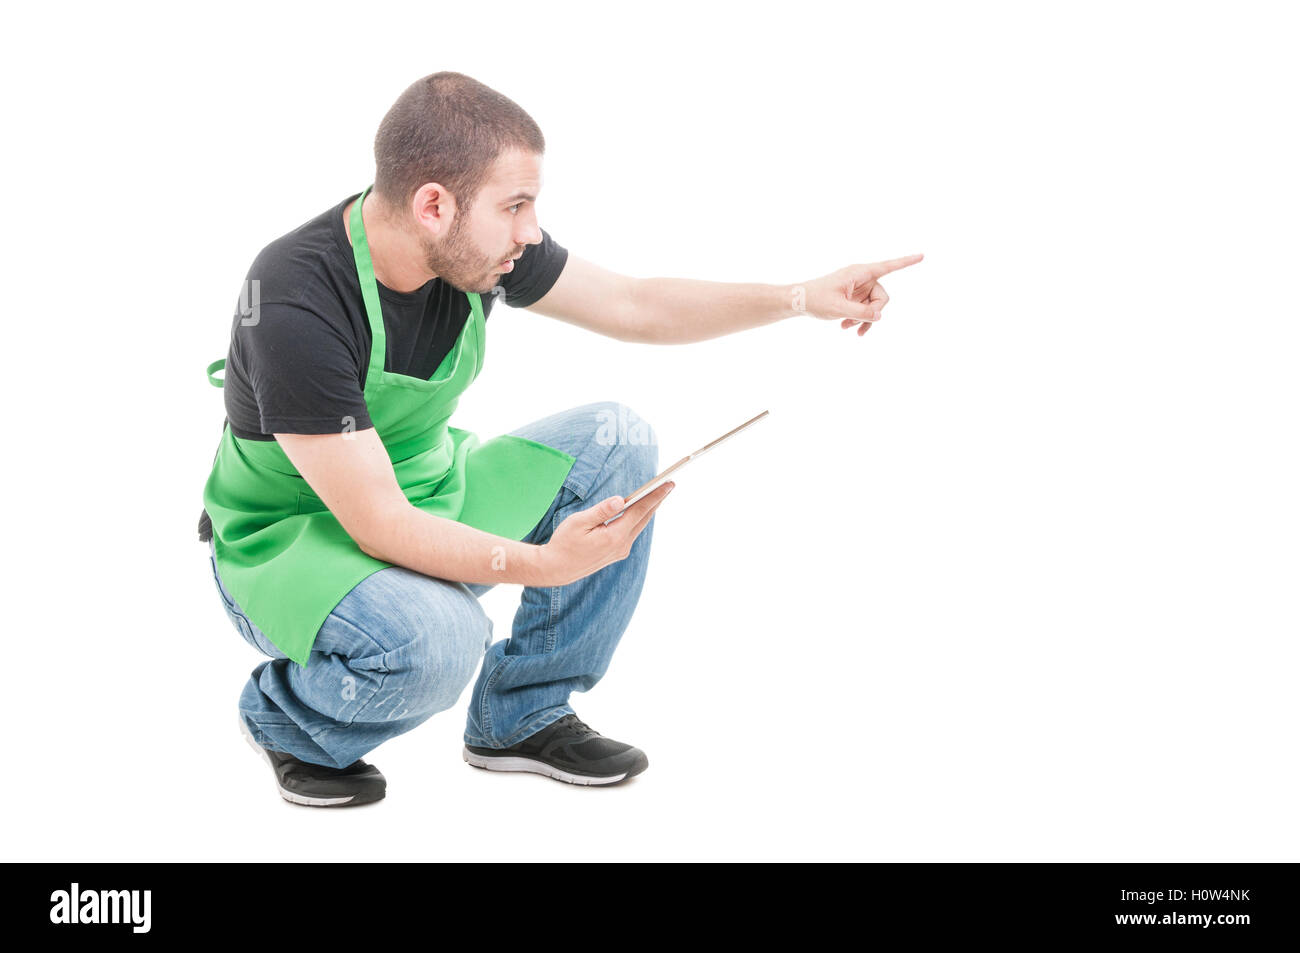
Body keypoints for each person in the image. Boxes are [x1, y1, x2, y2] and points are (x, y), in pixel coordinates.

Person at [199, 70, 923, 808]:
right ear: (432, 205)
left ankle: (519, 715)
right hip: (294, 541)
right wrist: (547, 564)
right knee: (443, 640)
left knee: (617, 439)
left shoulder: (472, 249)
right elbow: (378, 523)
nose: (531, 231)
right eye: (514, 206)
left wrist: (801, 297)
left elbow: (635, 304)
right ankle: (286, 718)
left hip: (428, 492)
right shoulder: (294, 296)